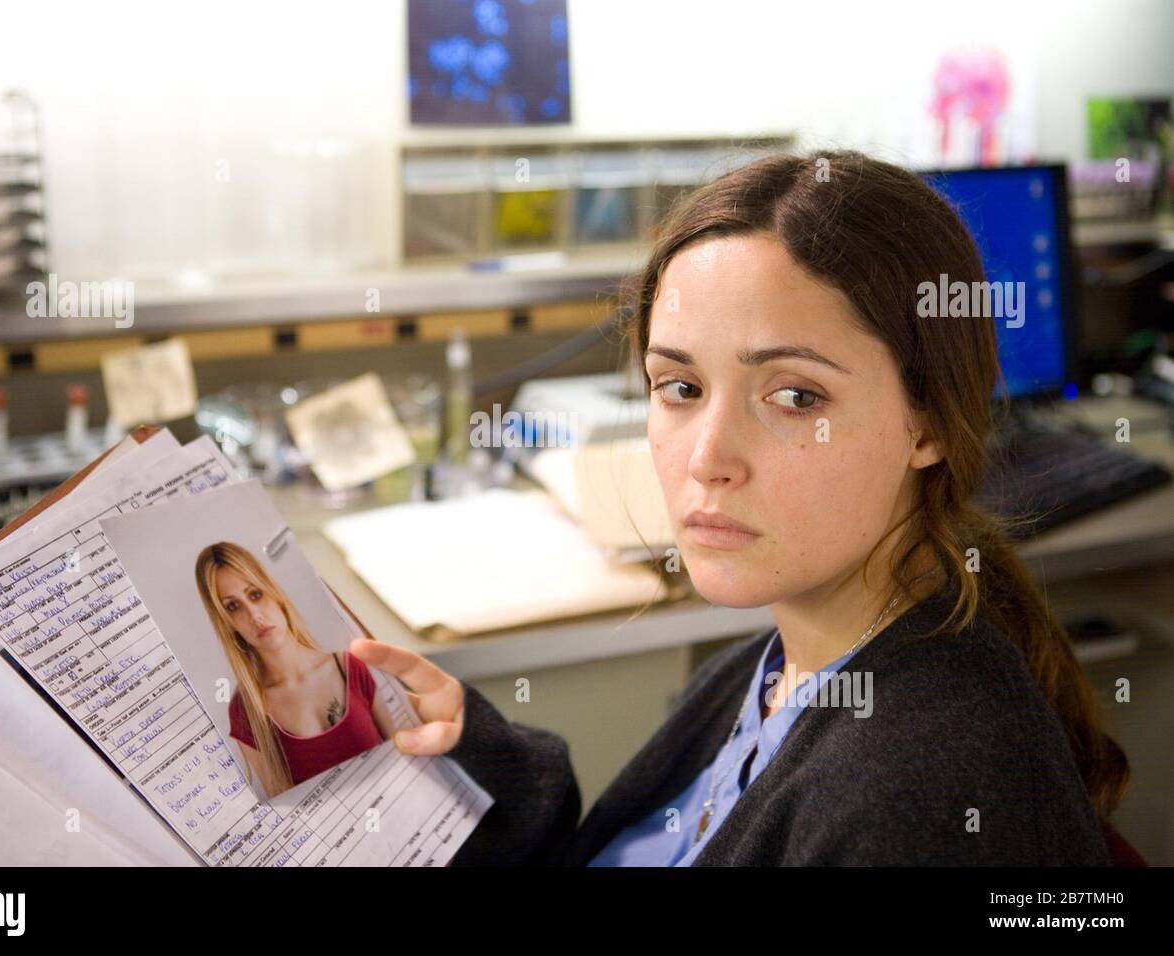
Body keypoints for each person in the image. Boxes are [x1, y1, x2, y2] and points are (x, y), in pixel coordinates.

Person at [350, 150, 1127, 866]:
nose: (705, 459)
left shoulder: (916, 798)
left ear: (927, 422)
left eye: (794, 397)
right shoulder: (776, 666)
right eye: (680, 388)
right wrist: (475, 764)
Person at [194, 541, 399, 798]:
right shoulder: (246, 711)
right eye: (233, 607)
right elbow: (286, 814)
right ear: (227, 624)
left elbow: (401, 761)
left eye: (255, 594)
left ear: (274, 594)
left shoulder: (349, 666)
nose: (254, 615)